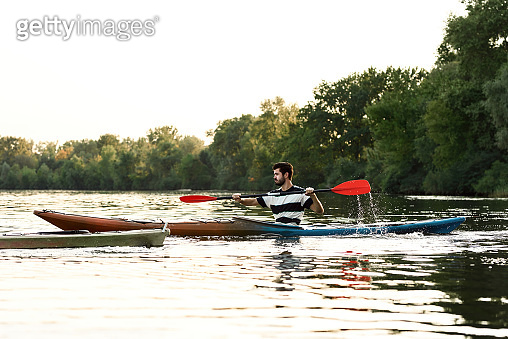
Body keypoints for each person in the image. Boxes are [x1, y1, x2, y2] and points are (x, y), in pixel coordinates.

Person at [232, 162, 324, 225]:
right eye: (274, 174)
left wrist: (313, 196)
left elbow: (319, 211)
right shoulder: (273, 195)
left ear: (286, 175)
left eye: (277, 174)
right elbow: (252, 202)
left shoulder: (301, 194)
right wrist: (240, 200)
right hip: (277, 234)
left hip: (293, 234)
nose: (274, 177)